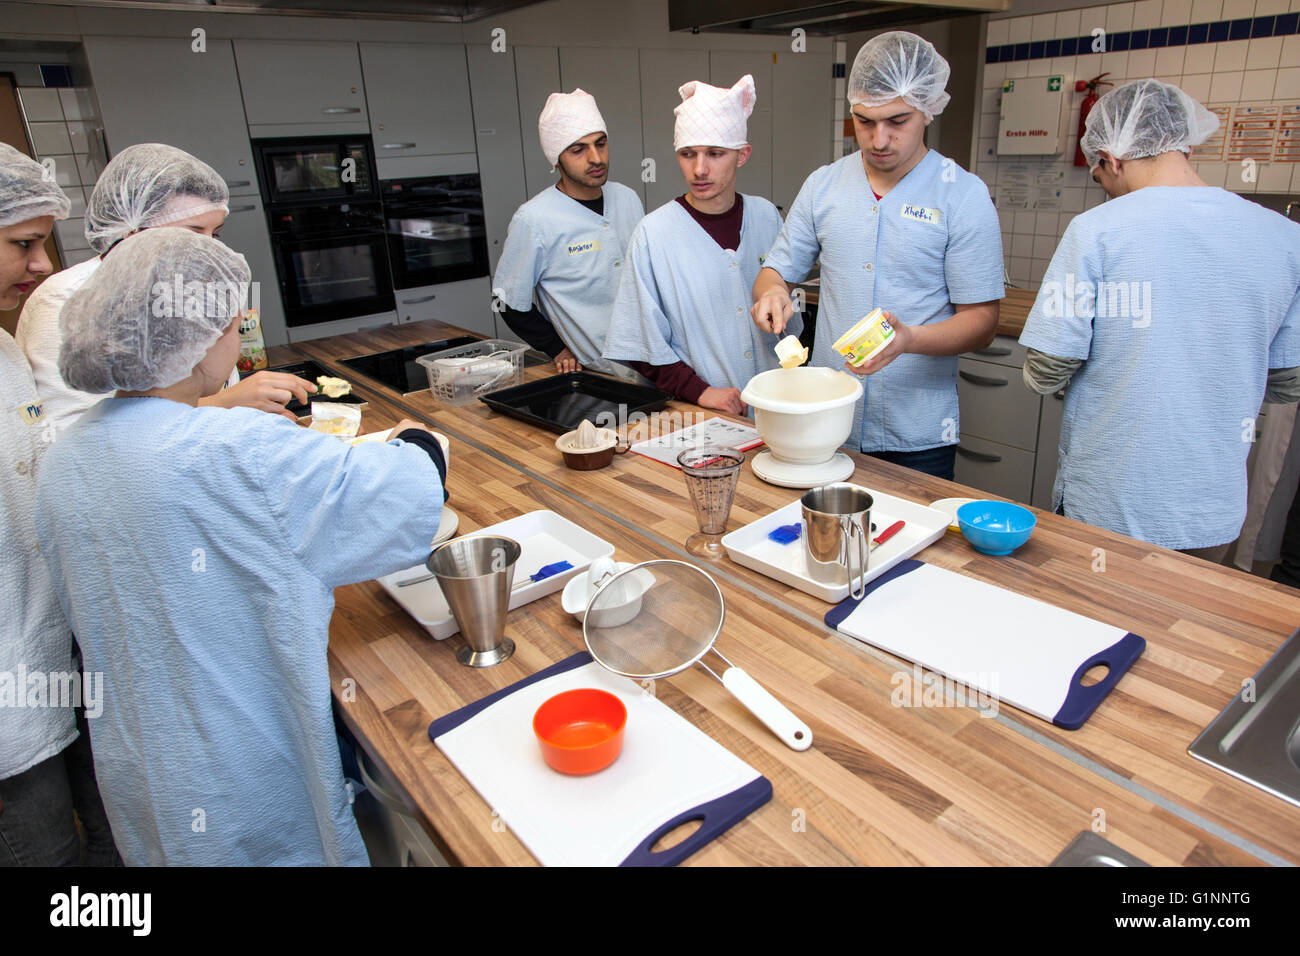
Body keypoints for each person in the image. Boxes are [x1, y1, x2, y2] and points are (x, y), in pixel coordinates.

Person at [33, 228, 449, 865]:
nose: (241, 332)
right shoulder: (231, 450)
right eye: (232, 321)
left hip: (142, 766)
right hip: (246, 771)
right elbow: (398, 502)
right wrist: (419, 439)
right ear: (198, 341)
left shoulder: (67, 459)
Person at [1019, 79, 1300, 559]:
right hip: (1210, 509)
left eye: (1100, 177)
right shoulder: (1284, 236)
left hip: (1110, 502)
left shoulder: (1097, 230)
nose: (1107, 190)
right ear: (1183, 145)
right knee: (1185, 629)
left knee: (1103, 627)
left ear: (1112, 157)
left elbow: (1046, 371)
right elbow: (1288, 380)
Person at [750, 31, 1004, 479]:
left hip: (916, 432)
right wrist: (770, 292)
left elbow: (981, 322)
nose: (878, 139)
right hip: (825, 421)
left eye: (897, 121)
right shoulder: (824, 185)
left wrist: (910, 341)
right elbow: (776, 270)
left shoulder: (962, 195)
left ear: (927, 109)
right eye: (864, 121)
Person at [16, 143, 315, 434]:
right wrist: (225, 404)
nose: (209, 248)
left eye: (216, 234)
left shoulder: (195, 283)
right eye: (193, 233)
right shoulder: (67, 298)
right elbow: (73, 435)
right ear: (131, 230)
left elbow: (213, 379)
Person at [0, 142, 118, 866]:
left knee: (111, 832)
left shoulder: (7, 351)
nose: (42, 263)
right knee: (41, 852)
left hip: (60, 643)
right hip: (7, 698)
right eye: (23, 243)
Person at [602, 75, 799, 415]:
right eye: (688, 154)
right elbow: (638, 340)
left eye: (715, 153)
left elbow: (788, 314)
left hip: (776, 404)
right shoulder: (654, 233)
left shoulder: (766, 216)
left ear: (742, 155)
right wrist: (702, 392)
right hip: (701, 411)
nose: (699, 169)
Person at [493, 89, 644, 374]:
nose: (596, 158)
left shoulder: (627, 199)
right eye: (578, 150)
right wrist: (555, 348)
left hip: (651, 358)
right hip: (595, 368)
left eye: (601, 144)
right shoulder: (535, 219)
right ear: (556, 158)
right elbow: (506, 301)